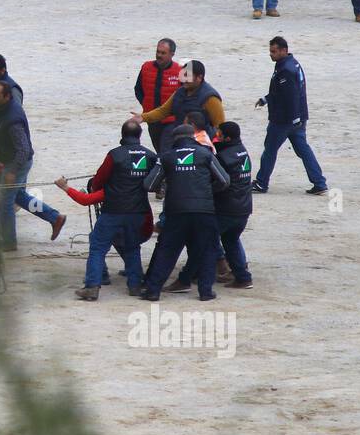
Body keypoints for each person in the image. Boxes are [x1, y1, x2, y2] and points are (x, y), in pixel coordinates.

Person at [56, 120, 156, 299]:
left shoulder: (115, 155)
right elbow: (154, 182)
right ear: (140, 136)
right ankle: (135, 285)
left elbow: (98, 180)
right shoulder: (150, 156)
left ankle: (92, 286)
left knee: (98, 247)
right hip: (139, 211)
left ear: (122, 135)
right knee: (133, 247)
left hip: (113, 210)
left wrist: (97, 187)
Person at [139, 123, 229, 301]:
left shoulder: (166, 157)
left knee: (168, 250)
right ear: (193, 136)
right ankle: (205, 292)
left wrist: (167, 185)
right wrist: (206, 191)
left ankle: (153, 290)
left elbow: (149, 185)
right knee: (206, 250)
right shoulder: (206, 154)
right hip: (204, 211)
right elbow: (224, 180)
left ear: (175, 139)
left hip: (176, 211)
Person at [0, 79, 66, 251]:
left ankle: (9, 242)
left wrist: (12, 170)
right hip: (8, 159)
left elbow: (23, 149)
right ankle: (55, 217)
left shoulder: (13, 119)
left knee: (4, 201)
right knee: (18, 195)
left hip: (18, 162)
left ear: (7, 97)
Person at [253, 36, 328, 195]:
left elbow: (291, 96)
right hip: (298, 118)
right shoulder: (290, 64)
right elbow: (281, 92)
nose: (271, 55)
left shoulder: (285, 69)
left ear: (283, 51)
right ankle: (319, 182)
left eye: (274, 51)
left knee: (270, 150)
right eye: (270, 51)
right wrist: (266, 99)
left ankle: (261, 183)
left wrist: (293, 119)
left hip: (284, 120)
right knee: (303, 150)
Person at [132, 59, 225, 141]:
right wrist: (142, 117)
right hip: (180, 139)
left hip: (202, 144)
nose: (183, 79)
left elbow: (220, 127)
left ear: (199, 78)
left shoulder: (211, 98)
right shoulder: (180, 92)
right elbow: (163, 111)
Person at [209, 121, 253, 289]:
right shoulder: (242, 151)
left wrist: (208, 192)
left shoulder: (224, 157)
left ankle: (195, 275)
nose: (216, 137)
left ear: (227, 138)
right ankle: (243, 277)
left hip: (227, 208)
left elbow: (221, 183)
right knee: (231, 241)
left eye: (219, 134)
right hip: (244, 207)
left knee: (206, 239)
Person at [134, 38, 183, 153]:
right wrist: (146, 105)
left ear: (172, 54)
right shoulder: (146, 67)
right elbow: (138, 89)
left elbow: (189, 93)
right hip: (152, 119)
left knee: (165, 151)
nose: (159, 55)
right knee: (159, 150)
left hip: (172, 121)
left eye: (163, 53)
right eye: (158, 52)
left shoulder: (181, 70)